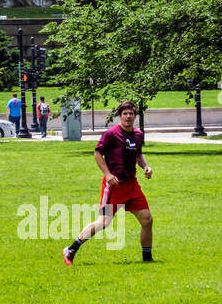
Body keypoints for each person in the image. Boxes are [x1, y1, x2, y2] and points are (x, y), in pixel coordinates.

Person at [63, 100, 154, 265]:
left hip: (132, 185)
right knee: (103, 223)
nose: (128, 117)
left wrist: (146, 166)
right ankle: (71, 249)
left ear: (135, 116)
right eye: (125, 114)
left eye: (131, 114)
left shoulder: (138, 134)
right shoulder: (111, 134)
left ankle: (147, 260)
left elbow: (138, 155)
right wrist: (108, 174)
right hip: (114, 186)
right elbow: (97, 153)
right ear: (119, 116)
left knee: (147, 220)